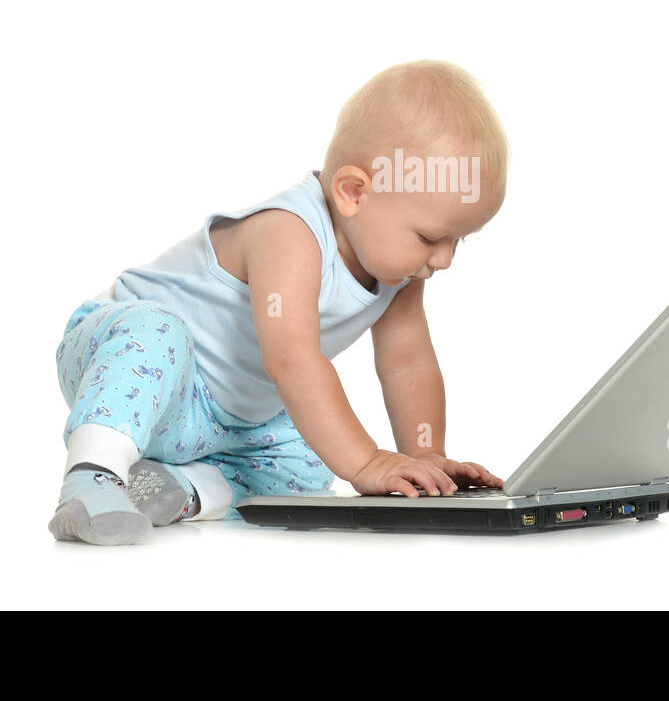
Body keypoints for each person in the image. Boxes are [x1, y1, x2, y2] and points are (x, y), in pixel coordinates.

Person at [48, 60, 509, 543]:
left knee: (310, 465)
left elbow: (409, 365)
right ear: (354, 193)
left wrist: (425, 456)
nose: (445, 259)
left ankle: (176, 487)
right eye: (430, 236)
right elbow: (291, 359)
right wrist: (367, 460)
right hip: (127, 368)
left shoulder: (399, 271)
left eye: (460, 240)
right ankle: (92, 473)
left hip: (229, 418)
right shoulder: (289, 233)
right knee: (156, 333)